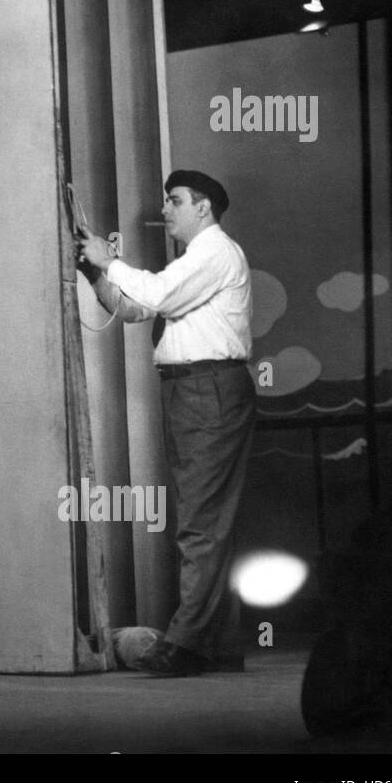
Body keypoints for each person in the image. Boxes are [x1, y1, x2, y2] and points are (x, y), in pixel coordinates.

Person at [78, 170, 254, 677]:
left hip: (208, 388)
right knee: (209, 522)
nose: (166, 210)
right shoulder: (195, 260)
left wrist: (109, 259)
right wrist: (96, 273)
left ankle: (190, 645)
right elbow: (132, 309)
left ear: (203, 208)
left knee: (201, 524)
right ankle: (218, 644)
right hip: (195, 389)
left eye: (175, 201)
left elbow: (150, 295)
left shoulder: (213, 252)